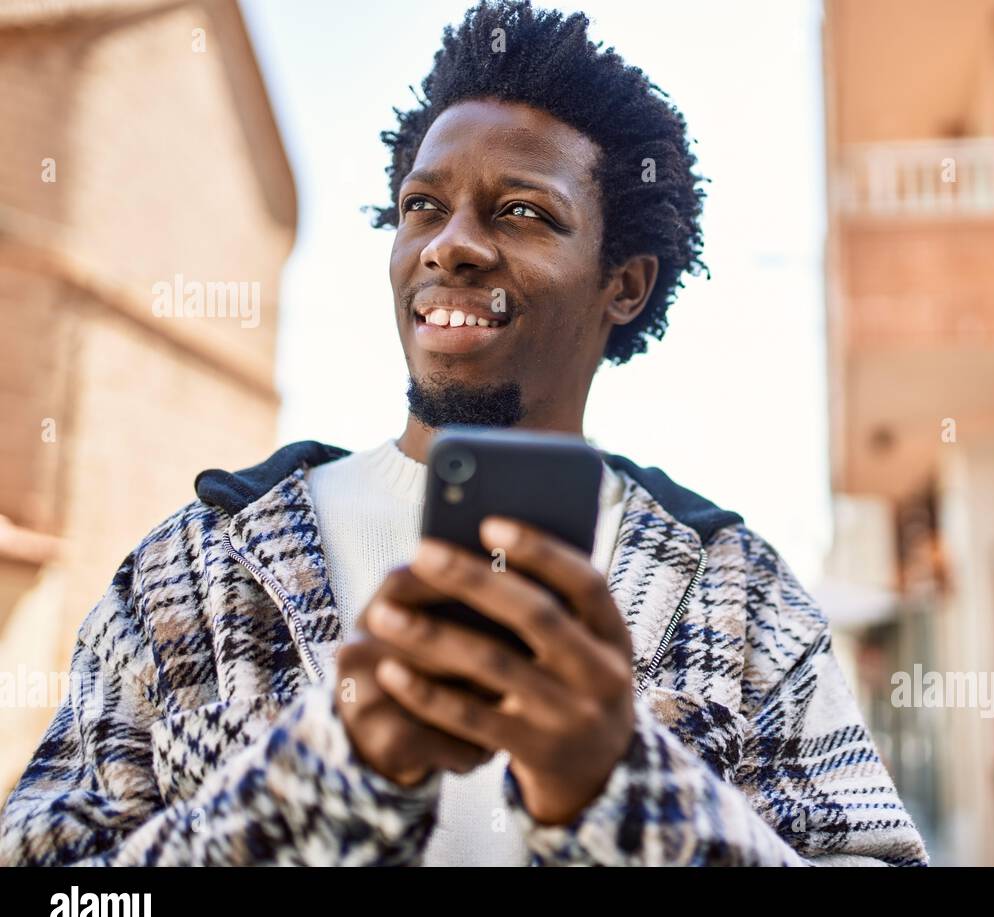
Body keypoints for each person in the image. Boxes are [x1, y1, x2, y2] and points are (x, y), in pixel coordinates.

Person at [0, 0, 927, 867]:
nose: (451, 245)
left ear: (625, 284)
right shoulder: (196, 570)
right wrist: (323, 781)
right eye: (423, 207)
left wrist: (618, 789)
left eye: (523, 212)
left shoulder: (736, 593)